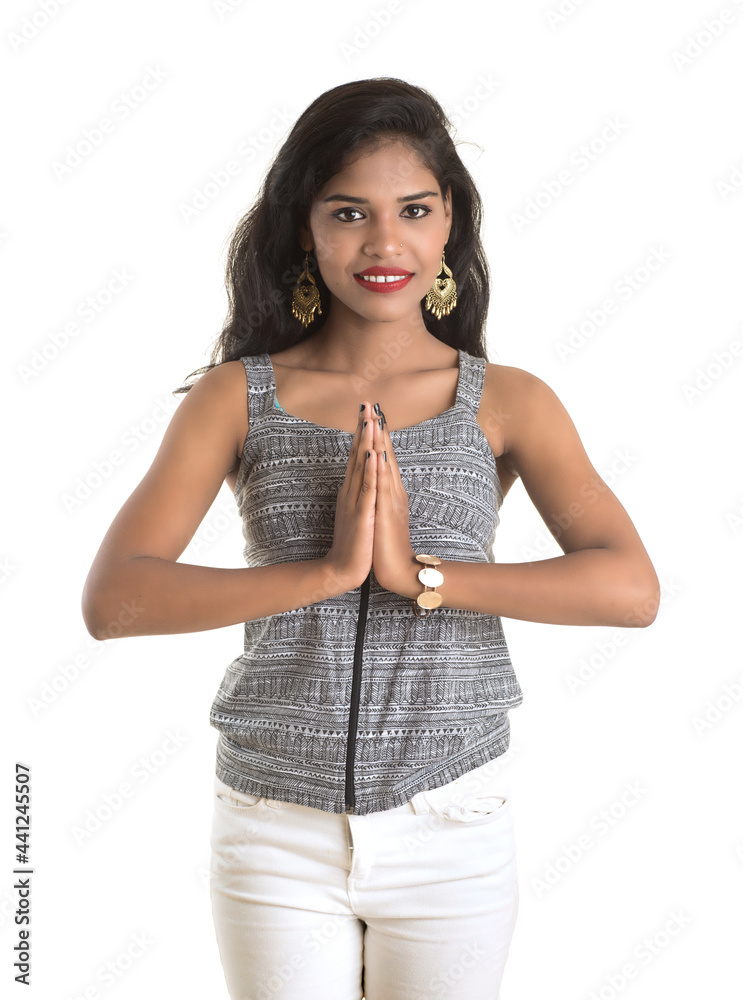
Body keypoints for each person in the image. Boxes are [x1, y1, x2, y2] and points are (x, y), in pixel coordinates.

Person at [81, 77, 660, 1000]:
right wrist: (328, 571)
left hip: (451, 820)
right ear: (303, 228)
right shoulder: (236, 398)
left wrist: (417, 574)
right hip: (274, 824)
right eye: (348, 212)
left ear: (448, 228)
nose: (383, 243)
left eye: (413, 210)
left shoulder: (506, 399)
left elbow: (629, 589)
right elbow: (115, 601)